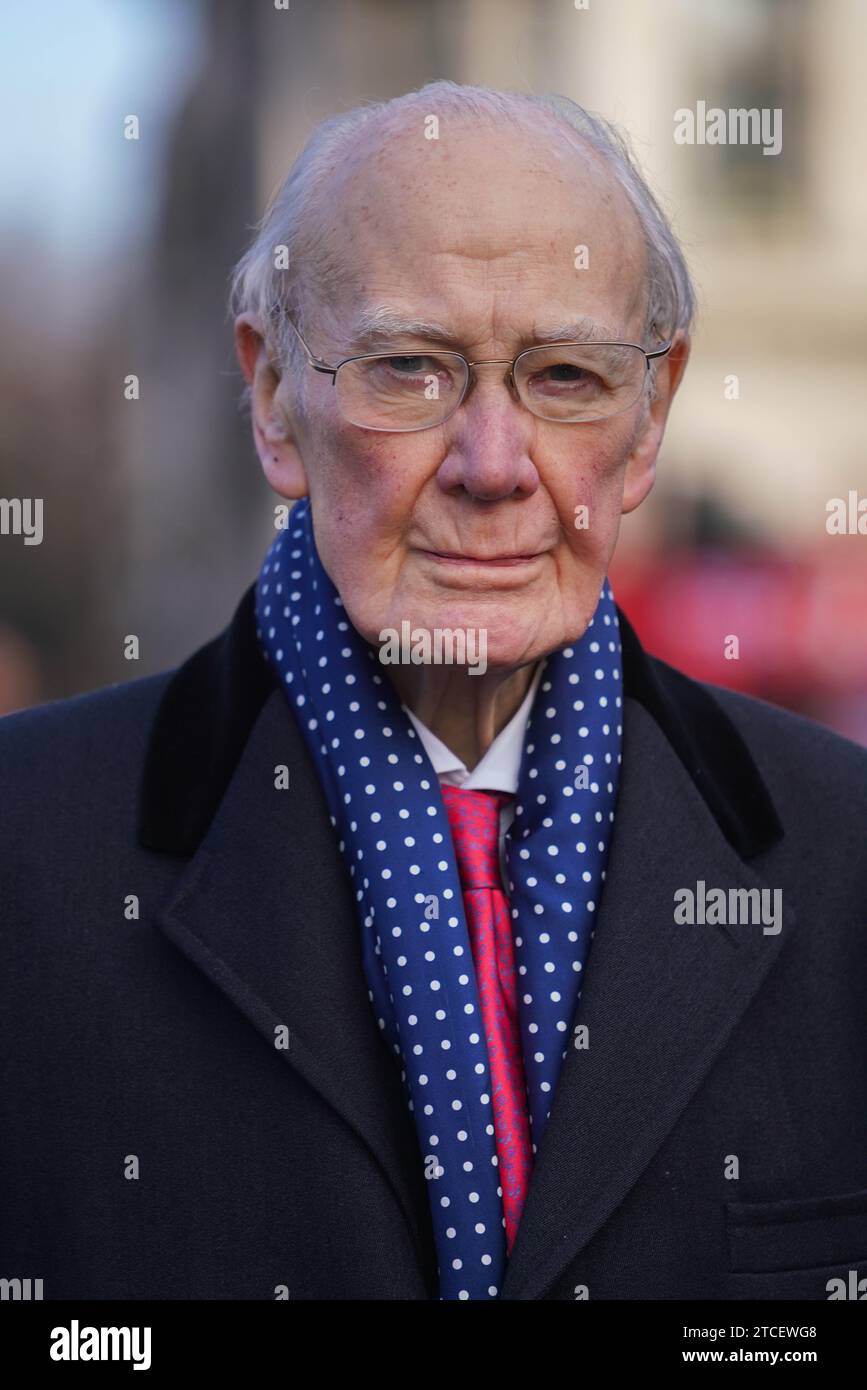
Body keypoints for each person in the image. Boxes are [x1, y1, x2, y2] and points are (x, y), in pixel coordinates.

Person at [2, 81, 866, 1302]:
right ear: (272, 399)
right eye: (410, 370)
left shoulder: (842, 852)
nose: (495, 464)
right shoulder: (27, 854)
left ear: (654, 413)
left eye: (567, 377)